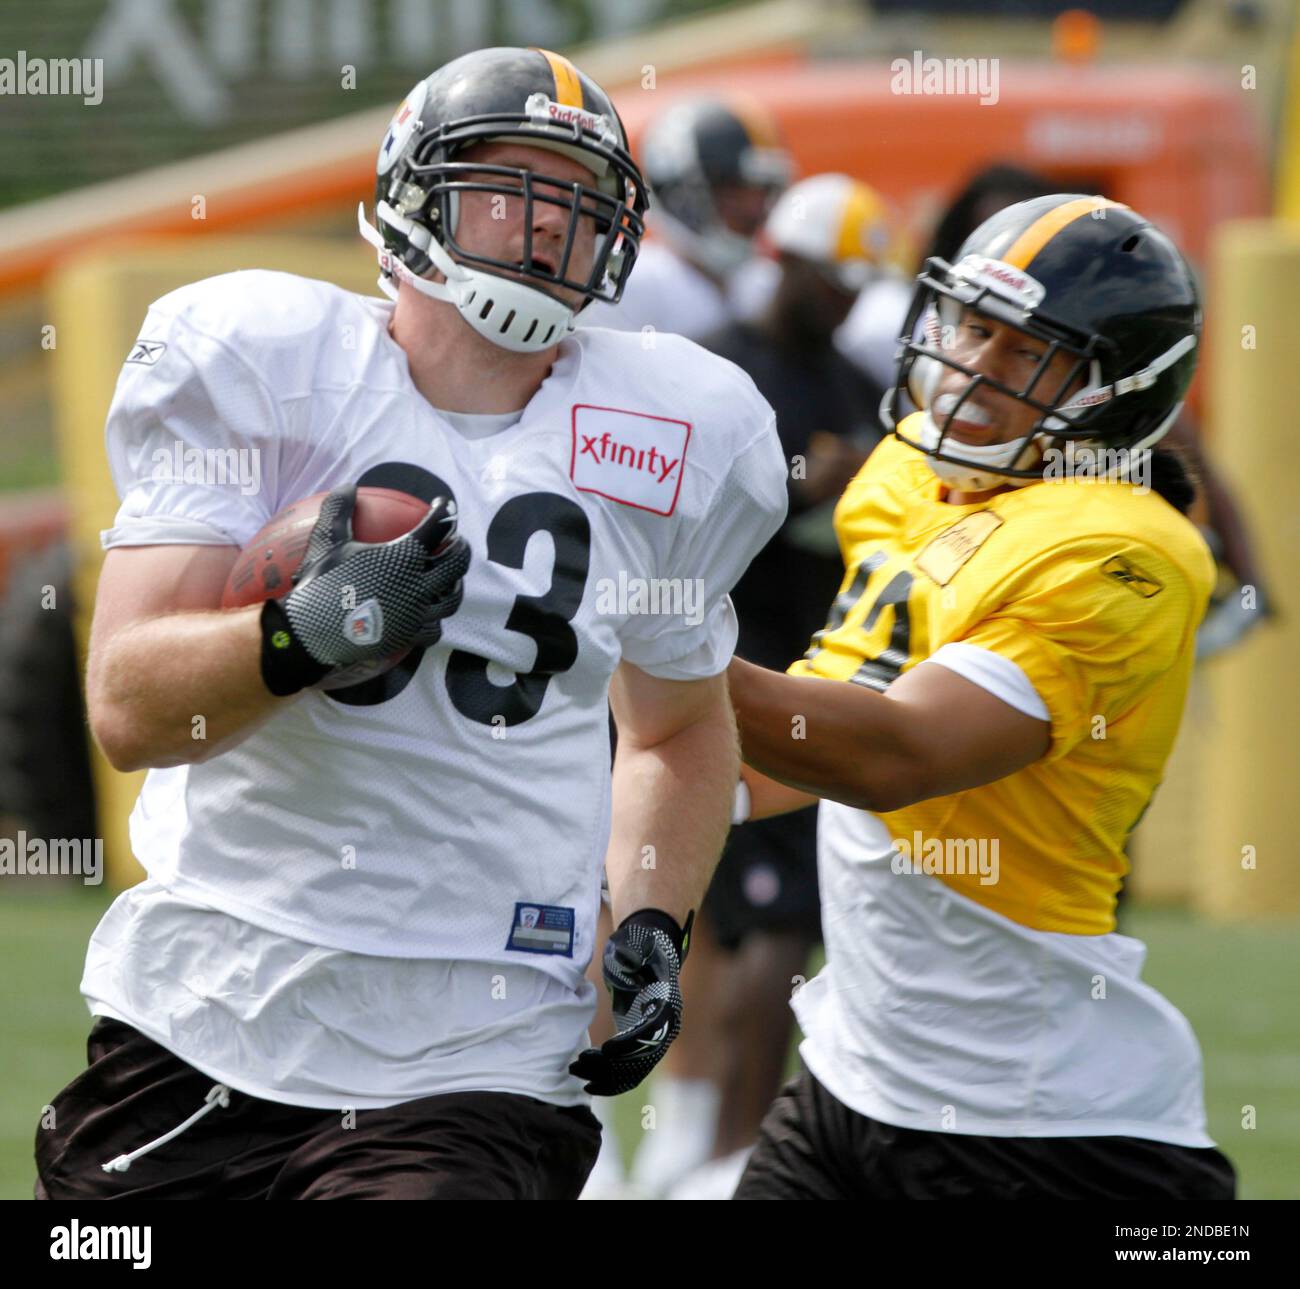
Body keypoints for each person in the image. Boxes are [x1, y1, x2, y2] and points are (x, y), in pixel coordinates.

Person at [33, 45, 788, 1202]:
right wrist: (304, 635)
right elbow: (132, 709)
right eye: (510, 182)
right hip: (208, 1002)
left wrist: (646, 917)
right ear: (412, 193)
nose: (549, 224)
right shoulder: (263, 360)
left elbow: (677, 731)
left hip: (482, 1045)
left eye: (582, 200)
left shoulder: (681, 428)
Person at [725, 193, 1237, 1199]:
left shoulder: (1120, 550)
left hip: (1043, 1124)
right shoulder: (912, 470)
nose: (972, 369)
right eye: (971, 326)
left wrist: (653, 643)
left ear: (1113, 392)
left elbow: (894, 754)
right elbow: (799, 743)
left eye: (1024, 352)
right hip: (849, 1082)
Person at [655, 174, 885, 1199]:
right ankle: (713, 1148)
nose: (843, 300)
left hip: (812, 667)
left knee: (779, 916)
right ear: (787, 261)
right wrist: (813, 477)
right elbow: (713, 497)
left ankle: (717, 1145)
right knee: (759, 917)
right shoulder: (729, 370)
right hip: (731, 669)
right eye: (832, 278)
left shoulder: (842, 373)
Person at [581, 95, 791, 340]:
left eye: (763, 191)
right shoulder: (632, 287)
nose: (753, 209)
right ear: (679, 194)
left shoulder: (765, 283)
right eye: (734, 190)